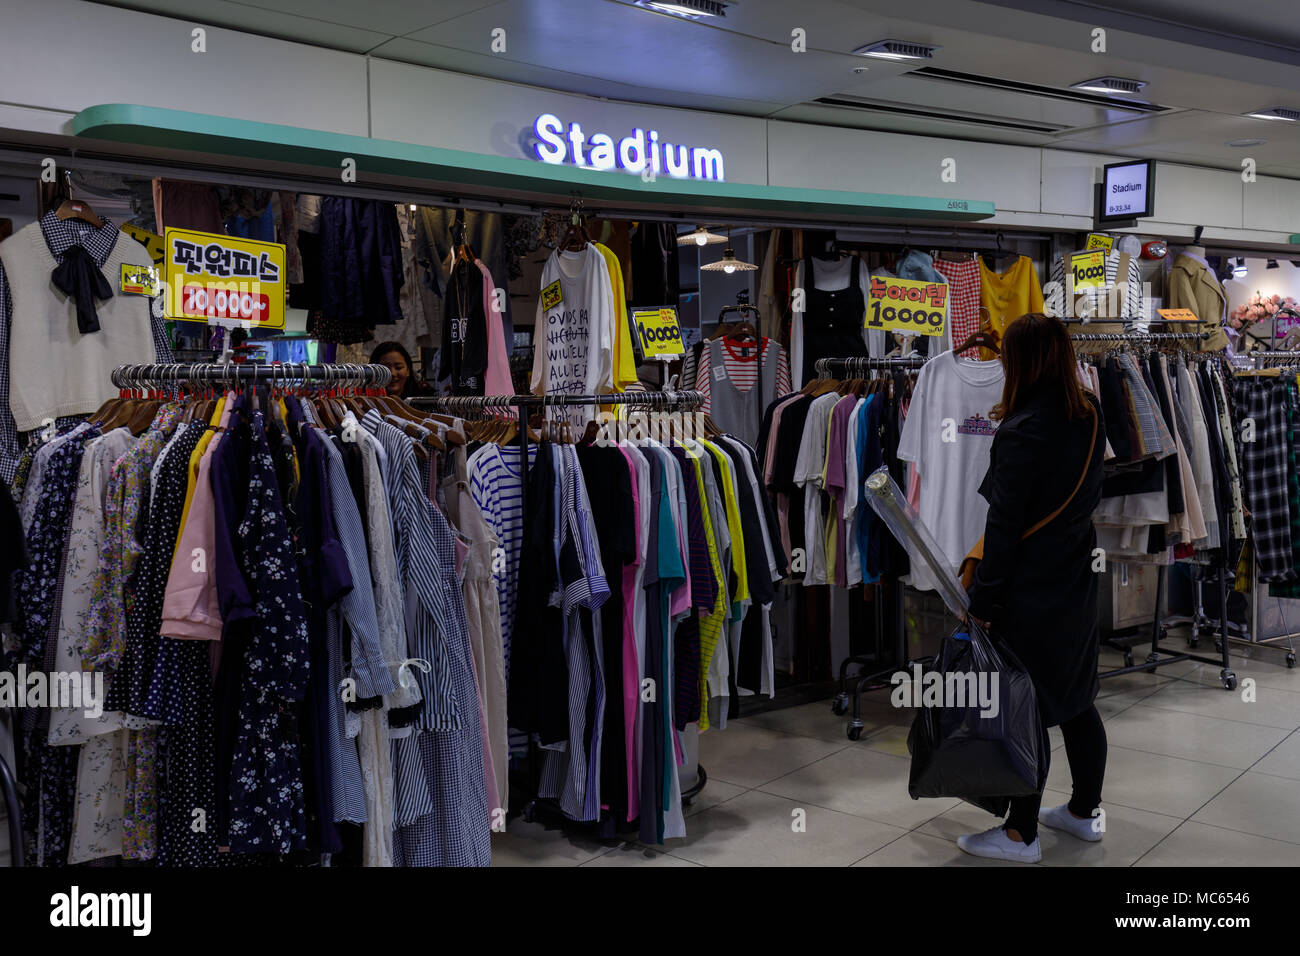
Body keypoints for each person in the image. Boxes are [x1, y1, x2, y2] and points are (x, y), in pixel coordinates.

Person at [957, 312, 1107, 863]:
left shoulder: (1022, 430)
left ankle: (1020, 834)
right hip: (1076, 576)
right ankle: (1084, 812)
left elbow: (1003, 527)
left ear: (1020, 362)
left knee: (1025, 707)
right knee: (1076, 698)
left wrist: (984, 599)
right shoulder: (1089, 412)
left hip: (1029, 588)